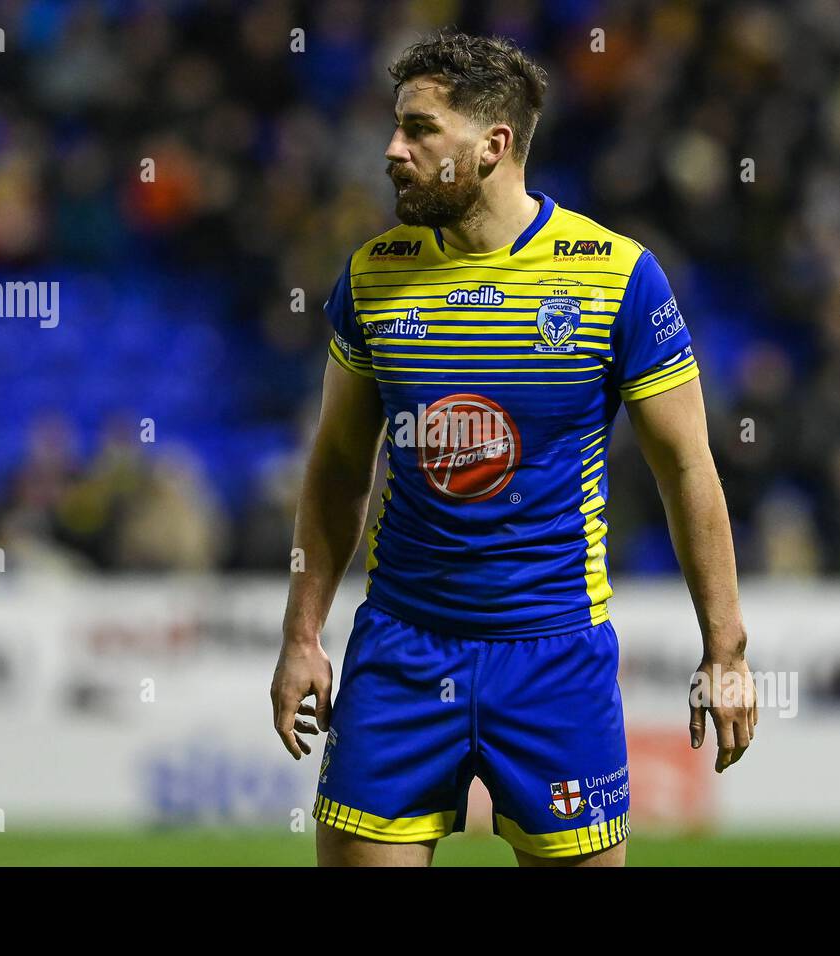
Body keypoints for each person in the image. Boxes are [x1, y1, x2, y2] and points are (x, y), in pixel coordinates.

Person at [271, 29, 756, 867]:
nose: (392, 149)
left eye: (420, 130)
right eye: (397, 126)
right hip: (400, 653)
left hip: (556, 658)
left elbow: (687, 470)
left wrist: (726, 651)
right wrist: (302, 633)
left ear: (494, 146)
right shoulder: (372, 276)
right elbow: (340, 466)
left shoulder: (616, 277)